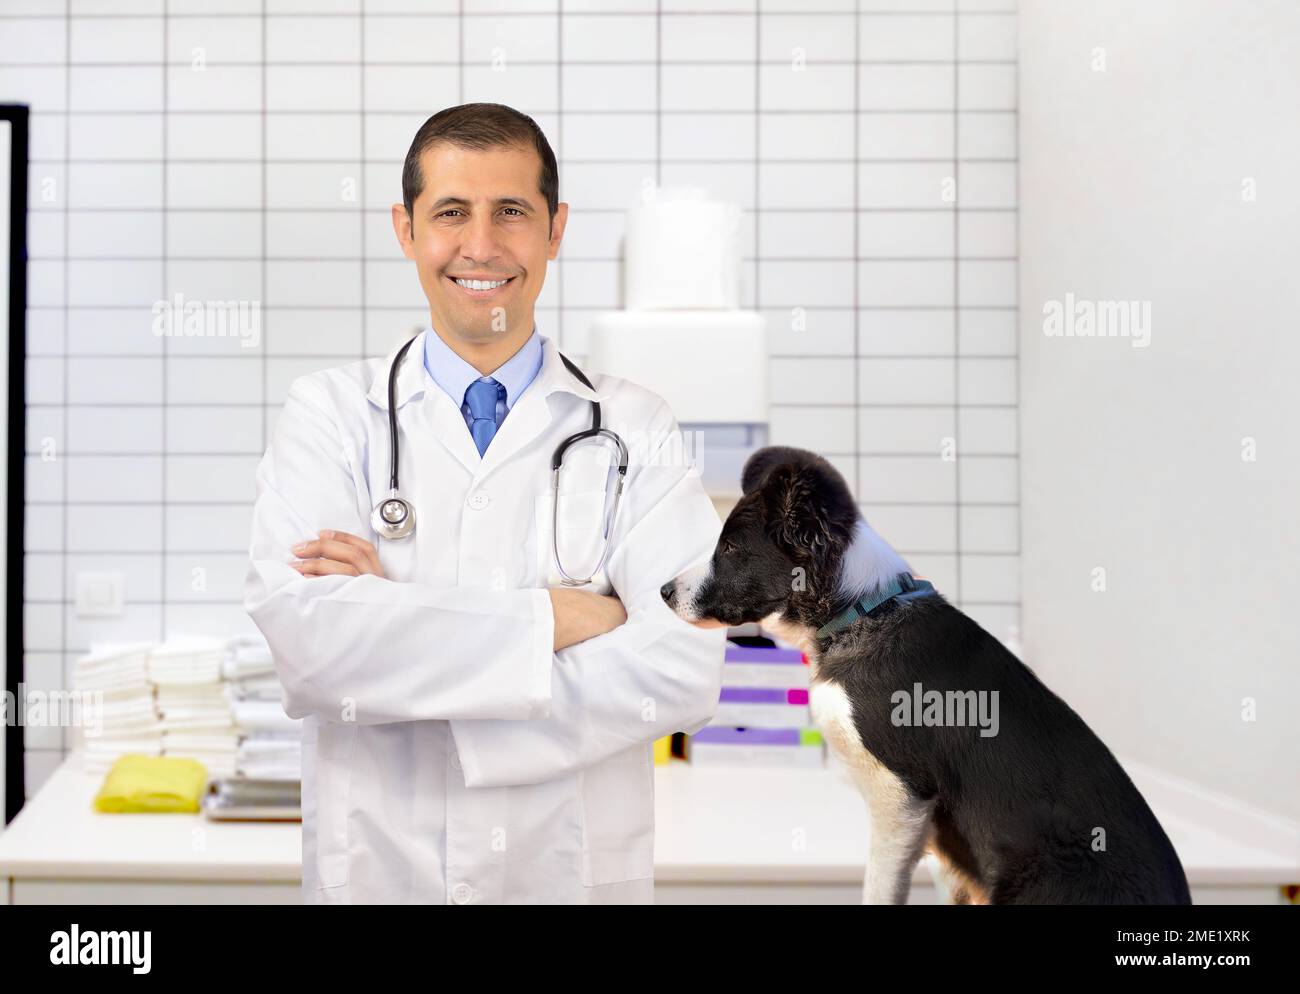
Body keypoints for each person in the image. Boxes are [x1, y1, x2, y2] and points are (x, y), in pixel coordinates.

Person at [243, 102, 726, 904]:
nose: (480, 245)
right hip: (378, 877)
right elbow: (312, 646)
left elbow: (683, 668)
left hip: (566, 878)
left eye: (511, 212)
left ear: (555, 228)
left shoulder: (636, 427)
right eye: (450, 213)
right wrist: (559, 619)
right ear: (405, 229)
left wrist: (399, 620)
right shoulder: (328, 414)